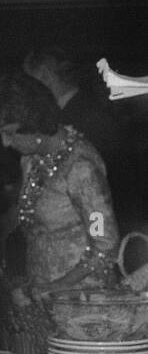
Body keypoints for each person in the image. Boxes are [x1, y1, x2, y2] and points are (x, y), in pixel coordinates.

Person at [0, 71, 118, 347]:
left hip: (83, 304)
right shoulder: (32, 160)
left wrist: (58, 286)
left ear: (33, 125)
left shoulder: (80, 168)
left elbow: (104, 243)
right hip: (42, 299)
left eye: (9, 133)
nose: (5, 143)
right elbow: (27, 213)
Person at [24, 43, 133, 225]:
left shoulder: (87, 118)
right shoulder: (80, 112)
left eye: (29, 82)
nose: (28, 92)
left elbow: (112, 182)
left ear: (44, 75)